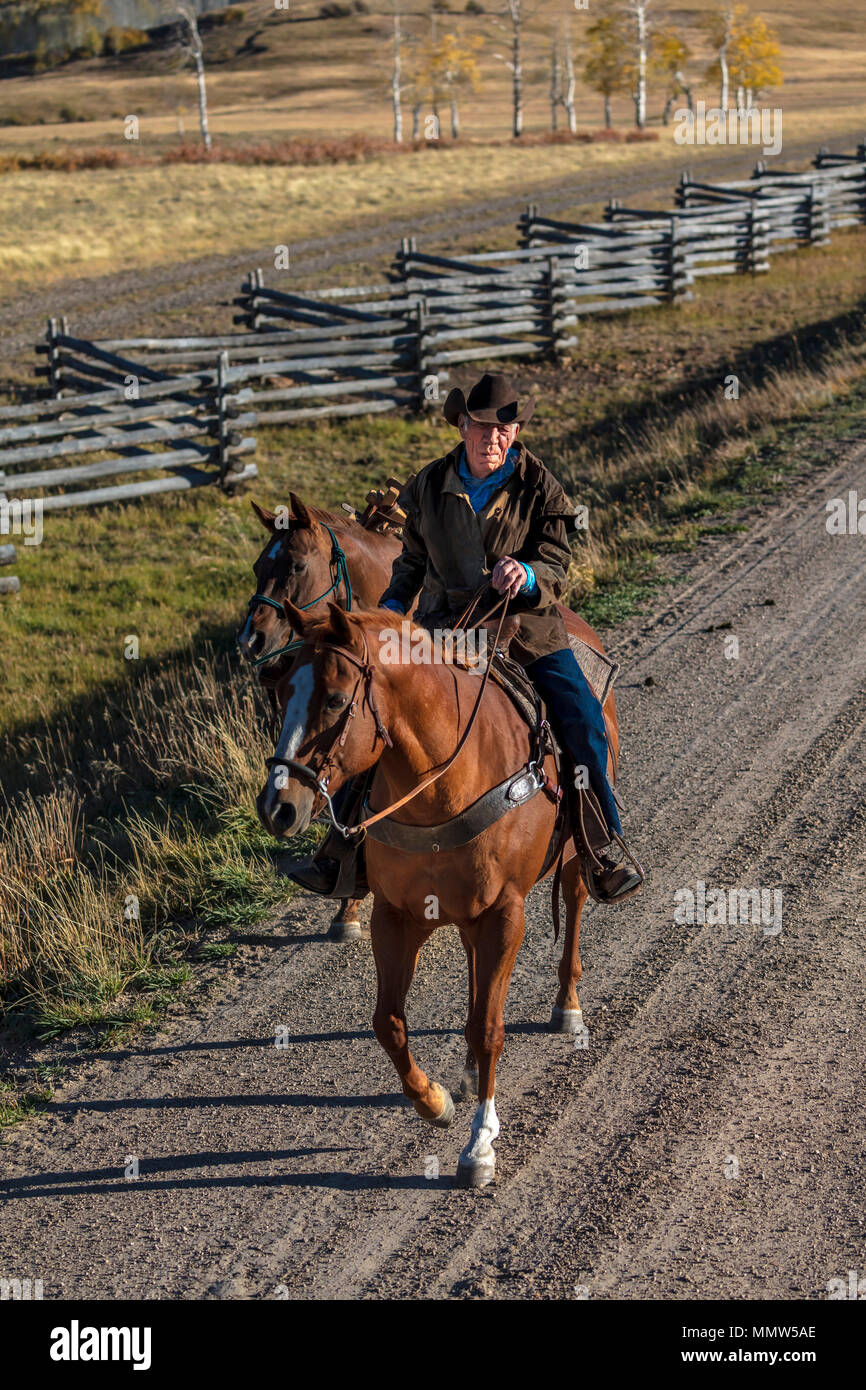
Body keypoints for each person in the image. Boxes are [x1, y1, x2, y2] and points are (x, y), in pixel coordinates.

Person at [285, 371, 643, 903]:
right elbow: (410, 563)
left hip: (525, 630)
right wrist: (387, 612)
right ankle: (344, 854)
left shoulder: (541, 487)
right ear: (462, 427)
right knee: (375, 709)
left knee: (583, 719)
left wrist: (525, 574)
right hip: (441, 631)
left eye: (504, 429)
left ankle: (597, 847)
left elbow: (556, 562)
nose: (492, 438)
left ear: (515, 432)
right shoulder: (429, 485)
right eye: (481, 427)